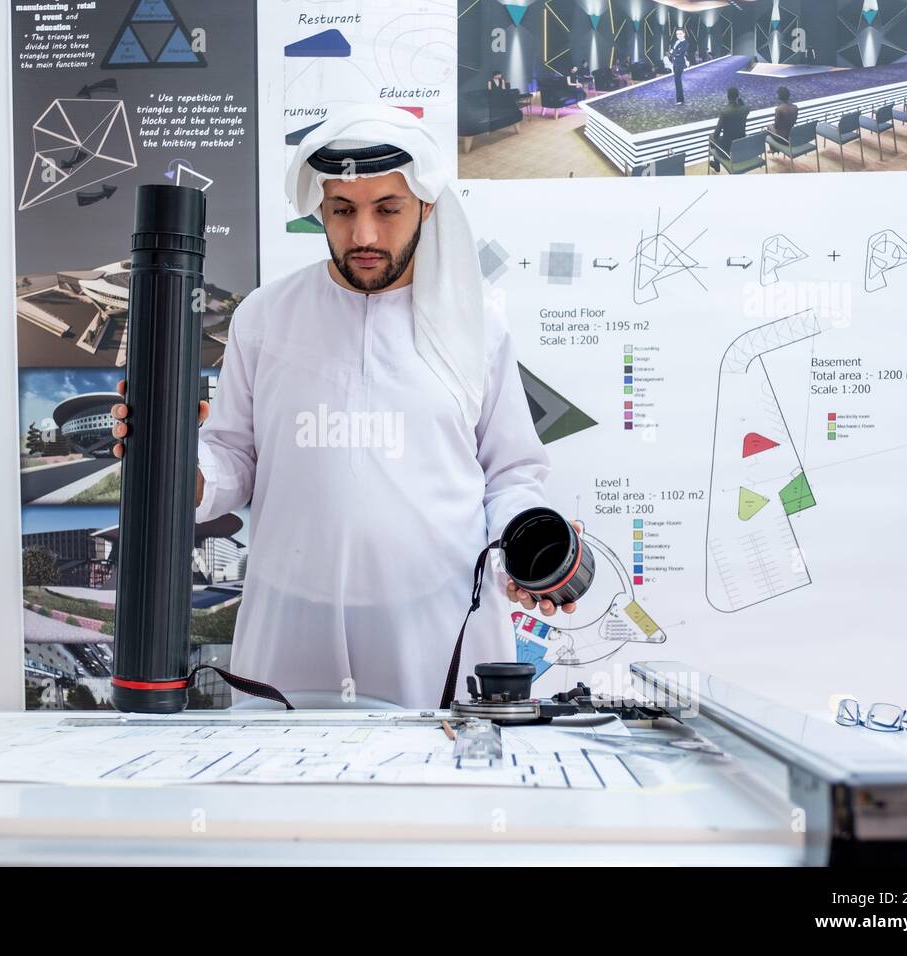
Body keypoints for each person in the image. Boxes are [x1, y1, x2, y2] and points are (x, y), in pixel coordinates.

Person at [110, 104, 575, 709]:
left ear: (426, 208)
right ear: (320, 210)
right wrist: (176, 465)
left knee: (436, 797)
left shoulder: (477, 326)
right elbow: (231, 458)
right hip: (290, 625)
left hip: (436, 625)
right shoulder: (265, 316)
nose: (364, 236)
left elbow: (511, 474)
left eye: (387, 209)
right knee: (285, 798)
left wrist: (529, 539)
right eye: (342, 210)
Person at [708, 86, 750, 171]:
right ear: (738, 96)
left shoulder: (725, 113)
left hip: (728, 149)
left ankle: (717, 163)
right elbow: (745, 106)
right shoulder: (745, 109)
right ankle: (716, 163)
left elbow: (716, 135)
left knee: (711, 137)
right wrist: (740, 100)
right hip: (742, 145)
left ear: (727, 97)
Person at [669, 29, 689, 104]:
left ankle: (680, 99)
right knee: (676, 80)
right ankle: (680, 99)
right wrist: (674, 52)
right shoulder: (676, 42)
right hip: (675, 62)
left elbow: (679, 53)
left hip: (680, 63)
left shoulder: (685, 43)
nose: (678, 35)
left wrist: (673, 52)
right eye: (677, 34)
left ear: (684, 34)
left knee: (677, 80)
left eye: (680, 34)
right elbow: (673, 52)